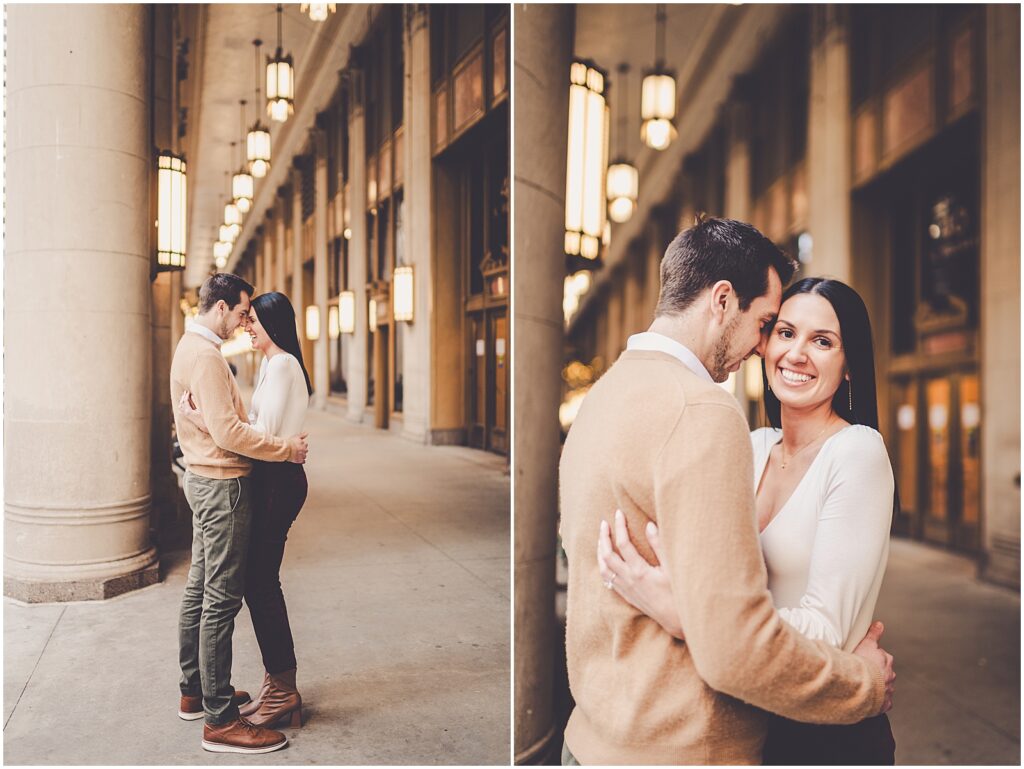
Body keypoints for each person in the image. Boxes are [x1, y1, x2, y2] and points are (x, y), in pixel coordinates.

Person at [558, 217, 895, 765]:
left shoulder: (855, 452)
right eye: (777, 328)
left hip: (808, 730)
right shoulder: (738, 433)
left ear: (850, 365)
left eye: (823, 341)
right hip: (699, 730)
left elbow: (799, 627)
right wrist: (705, 616)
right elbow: (726, 628)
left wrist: (680, 607)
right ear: (722, 301)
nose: (782, 350)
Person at [170, 273, 308, 755]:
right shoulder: (207, 356)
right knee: (222, 597)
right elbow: (233, 433)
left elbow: (229, 425)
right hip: (221, 484)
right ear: (223, 307)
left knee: (207, 589)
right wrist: (285, 448)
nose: (245, 321)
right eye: (242, 312)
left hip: (209, 479)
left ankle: (199, 692)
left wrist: (204, 418)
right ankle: (219, 716)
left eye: (253, 315)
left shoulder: (192, 348)